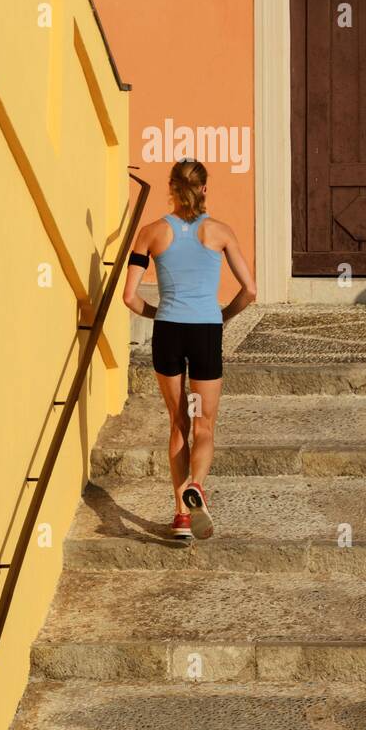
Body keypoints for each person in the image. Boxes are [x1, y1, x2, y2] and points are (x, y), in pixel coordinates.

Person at [122, 160, 256, 540]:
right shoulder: (219, 233)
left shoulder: (151, 233)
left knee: (178, 422)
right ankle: (197, 484)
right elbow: (250, 290)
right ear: (205, 189)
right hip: (204, 333)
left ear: (170, 188)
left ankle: (181, 515)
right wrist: (223, 315)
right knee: (204, 425)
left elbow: (129, 298)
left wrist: (158, 313)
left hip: (169, 332)